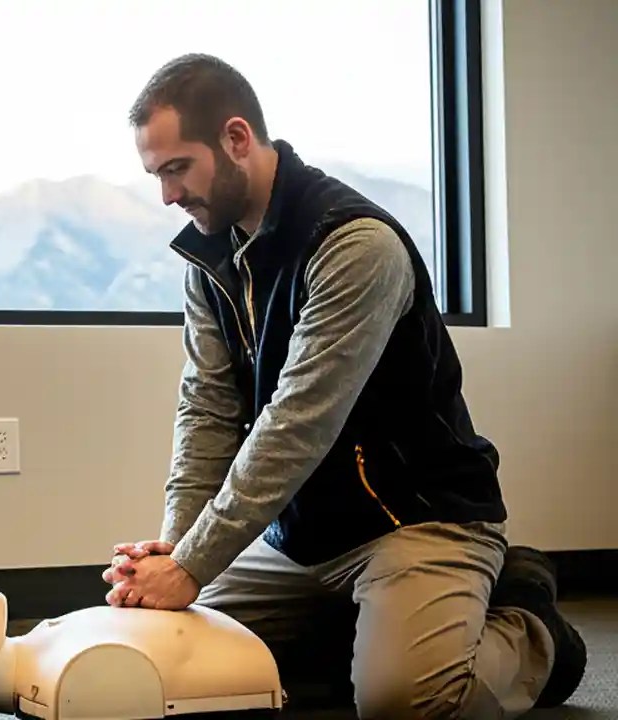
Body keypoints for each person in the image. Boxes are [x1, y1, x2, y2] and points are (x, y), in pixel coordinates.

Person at [100, 53, 587, 717]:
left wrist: (192, 566)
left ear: (236, 138)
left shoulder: (354, 244)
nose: (168, 196)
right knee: (182, 657)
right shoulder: (209, 260)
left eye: (176, 168)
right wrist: (178, 550)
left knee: (400, 703)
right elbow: (207, 411)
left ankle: (530, 630)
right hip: (302, 539)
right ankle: (366, 632)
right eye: (156, 175)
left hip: (418, 519)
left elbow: (297, 424)